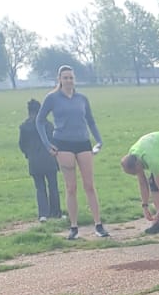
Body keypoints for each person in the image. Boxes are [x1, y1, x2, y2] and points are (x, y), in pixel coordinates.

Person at [36, 65, 108, 240]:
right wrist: (47, 144)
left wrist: (99, 140)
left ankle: (98, 225)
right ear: (59, 79)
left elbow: (90, 120)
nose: (68, 81)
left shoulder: (82, 98)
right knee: (71, 187)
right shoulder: (52, 98)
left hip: (83, 142)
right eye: (65, 78)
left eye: (71, 78)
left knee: (89, 185)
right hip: (63, 144)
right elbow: (39, 121)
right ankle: (74, 227)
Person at [18, 98, 61, 221]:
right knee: (53, 187)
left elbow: (22, 144)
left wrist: (28, 154)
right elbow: (55, 141)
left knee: (40, 188)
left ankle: (43, 214)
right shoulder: (47, 125)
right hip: (49, 159)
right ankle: (56, 213)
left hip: (34, 161)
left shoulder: (24, 127)